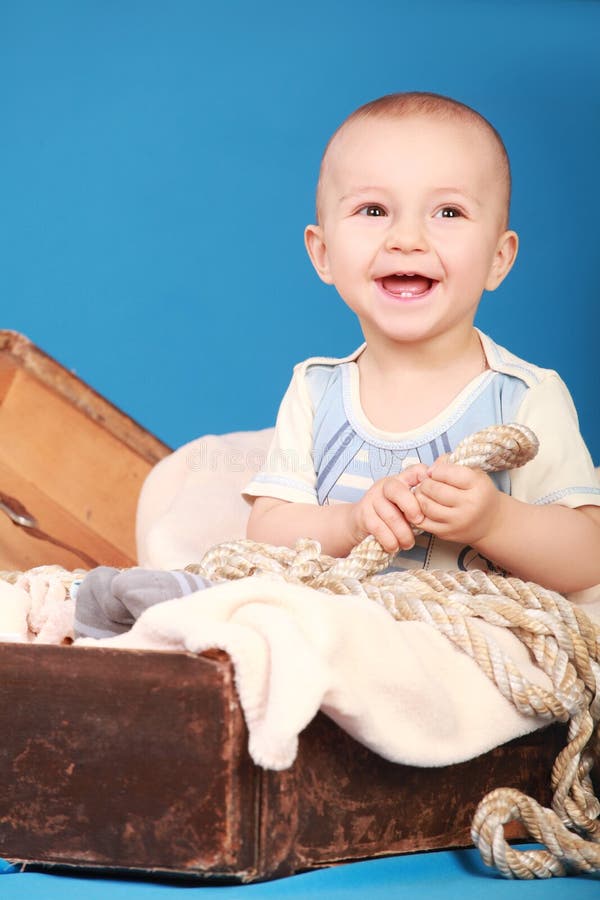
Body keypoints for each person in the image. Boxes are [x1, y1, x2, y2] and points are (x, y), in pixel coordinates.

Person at [243, 91, 600, 595]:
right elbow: (265, 532)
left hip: (464, 640)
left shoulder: (523, 396)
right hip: (342, 626)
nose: (406, 238)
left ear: (499, 259)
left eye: (448, 213)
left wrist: (495, 521)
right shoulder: (316, 389)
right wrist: (350, 523)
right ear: (323, 253)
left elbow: (588, 557)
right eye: (373, 209)